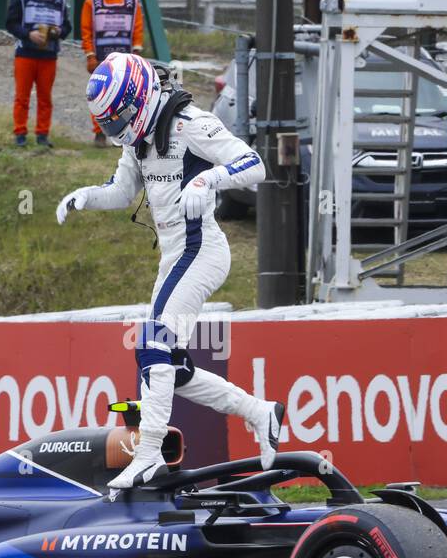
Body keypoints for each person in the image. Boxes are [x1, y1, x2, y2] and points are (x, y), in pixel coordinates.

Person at [56, 53, 284, 490]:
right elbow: (122, 192)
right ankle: (259, 412)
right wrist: (84, 195)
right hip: (175, 255)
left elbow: (254, 163)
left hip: (202, 251)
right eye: (109, 123)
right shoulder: (136, 138)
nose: (119, 130)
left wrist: (205, 181)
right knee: (169, 365)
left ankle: (148, 454)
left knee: (152, 343)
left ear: (139, 96)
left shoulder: (190, 123)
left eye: (120, 117)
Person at [5, 0, 71, 147]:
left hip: (49, 56)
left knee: (45, 98)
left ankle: (42, 134)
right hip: (25, 54)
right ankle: (20, 134)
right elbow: (10, 23)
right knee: (22, 97)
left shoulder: (59, 0)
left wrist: (60, 31)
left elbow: (67, 26)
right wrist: (28, 34)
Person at [81, 0, 145, 147]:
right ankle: (99, 134)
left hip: (125, 60)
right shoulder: (92, 2)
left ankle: (127, 134)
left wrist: (137, 52)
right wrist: (90, 55)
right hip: (101, 58)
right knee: (98, 94)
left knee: (127, 95)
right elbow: (86, 30)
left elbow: (137, 28)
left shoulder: (132, 1)